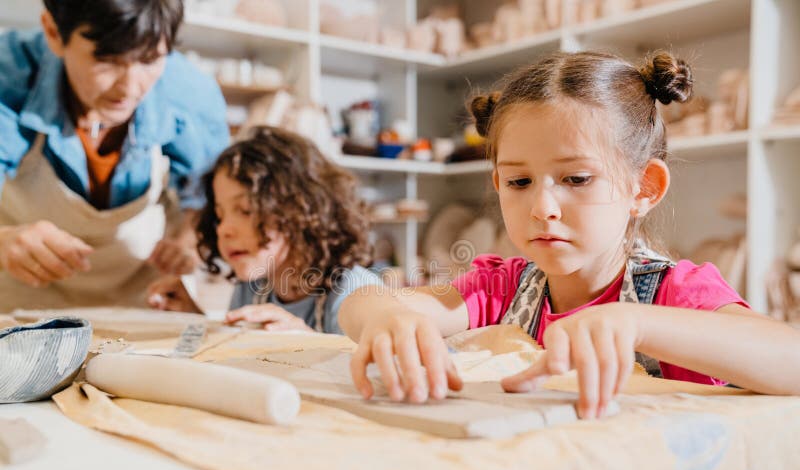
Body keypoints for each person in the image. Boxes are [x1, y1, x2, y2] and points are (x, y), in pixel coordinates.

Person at [339, 50, 800, 418]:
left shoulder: (674, 292)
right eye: (519, 182)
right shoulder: (501, 286)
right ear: (498, 183)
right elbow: (362, 300)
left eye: (577, 179)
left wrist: (634, 324)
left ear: (644, 188)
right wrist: (384, 319)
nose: (542, 208)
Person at [0, 0, 229, 311]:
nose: (130, 88)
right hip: (23, 302)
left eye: (150, 59)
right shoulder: (8, 74)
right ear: (54, 33)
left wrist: (187, 241)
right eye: (107, 60)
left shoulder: (189, 92)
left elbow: (209, 199)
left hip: (141, 299)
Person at [147, 126, 383, 334]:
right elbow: (241, 359)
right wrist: (191, 314)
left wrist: (308, 346)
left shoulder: (352, 291)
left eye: (245, 210)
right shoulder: (253, 285)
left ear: (297, 209)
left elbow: (372, 372)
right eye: (220, 216)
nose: (224, 230)